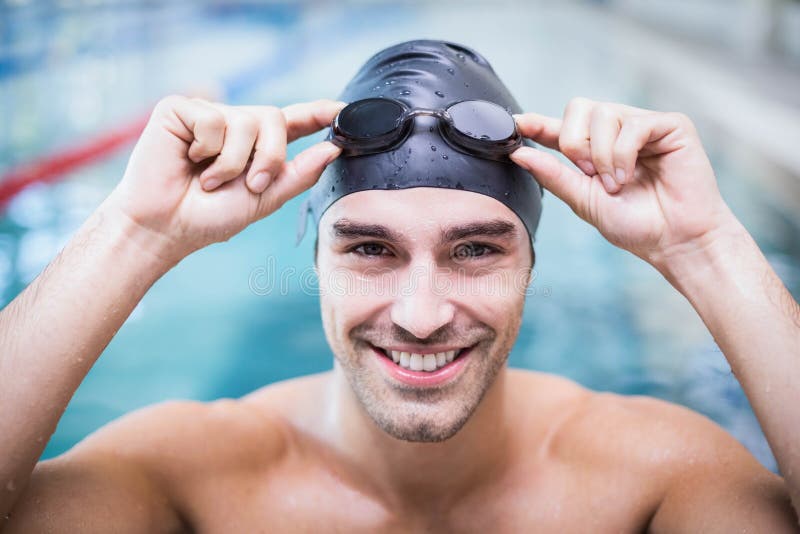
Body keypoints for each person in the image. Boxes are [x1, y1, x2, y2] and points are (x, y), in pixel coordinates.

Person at [1, 39, 798, 533]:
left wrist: (705, 248)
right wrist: (135, 236)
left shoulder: (653, 479)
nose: (421, 316)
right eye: (372, 249)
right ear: (315, 258)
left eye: (477, 250)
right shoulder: (187, 477)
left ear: (532, 262)